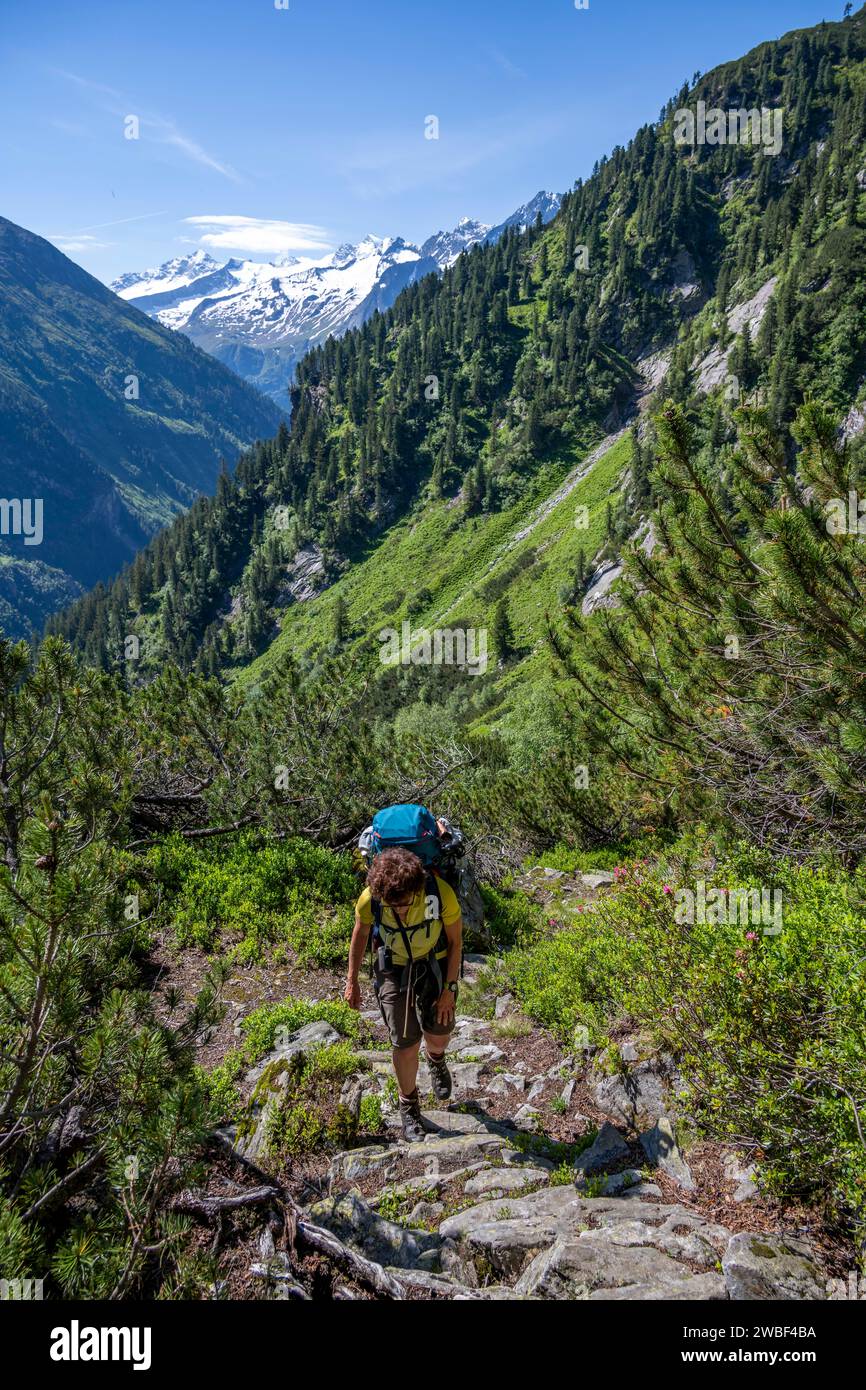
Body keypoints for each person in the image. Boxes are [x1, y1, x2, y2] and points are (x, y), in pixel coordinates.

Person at [344, 845, 463, 1141]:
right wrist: (351, 981)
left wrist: (449, 989)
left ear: (417, 888)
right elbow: (359, 934)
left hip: (435, 962)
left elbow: (456, 942)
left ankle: (436, 1059)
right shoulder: (370, 899)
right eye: (392, 905)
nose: (400, 910)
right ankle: (408, 1107)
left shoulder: (439, 892)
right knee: (404, 1040)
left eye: (405, 903)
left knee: (439, 1032)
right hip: (393, 967)